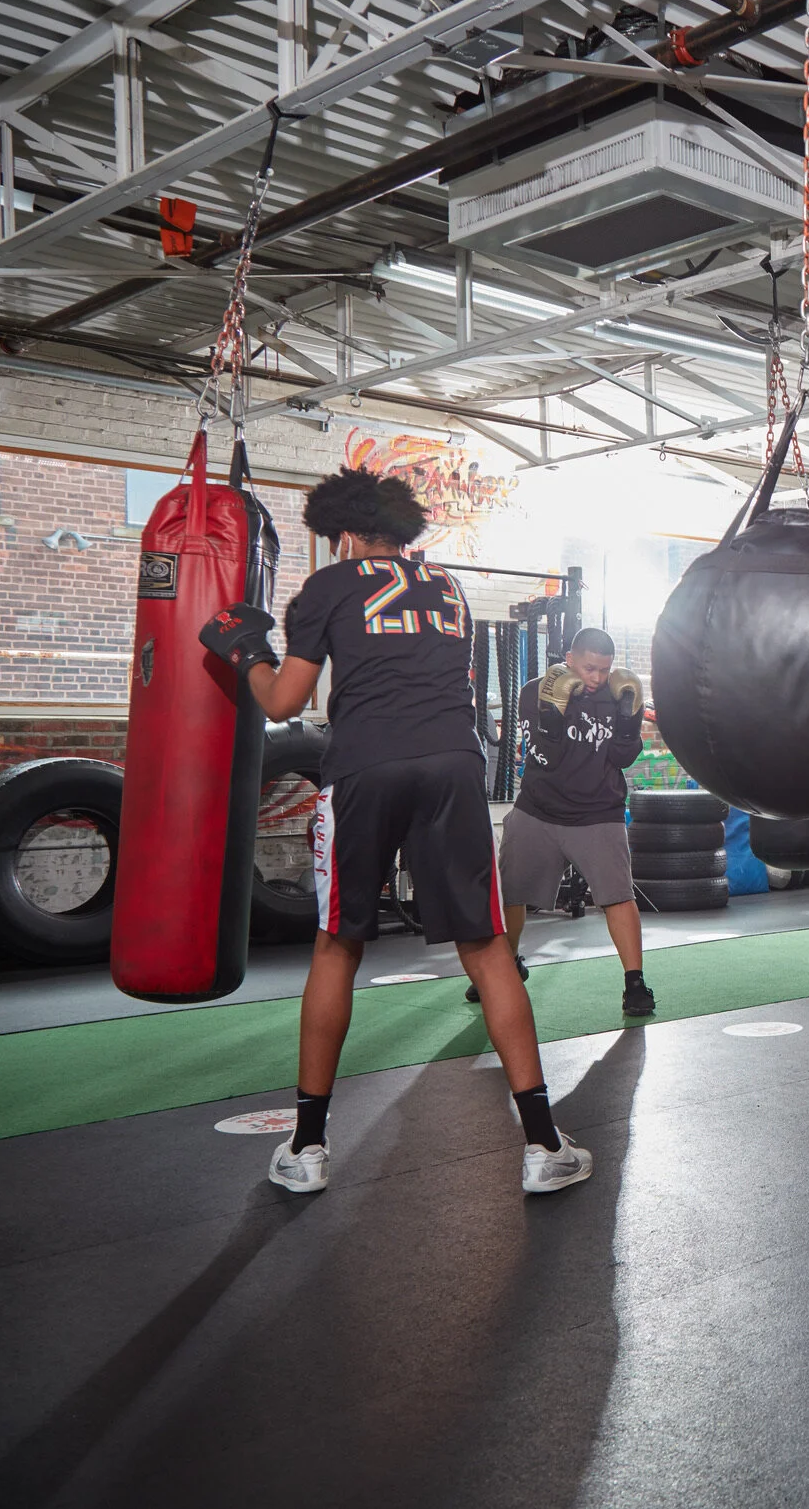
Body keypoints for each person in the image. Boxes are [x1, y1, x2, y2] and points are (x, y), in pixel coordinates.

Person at [199, 468, 590, 1196]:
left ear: (343, 533)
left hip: (366, 766)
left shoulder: (326, 588)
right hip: (453, 763)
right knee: (485, 944)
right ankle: (543, 1145)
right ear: (403, 530)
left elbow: (285, 699)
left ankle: (307, 1148)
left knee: (337, 944)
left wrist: (246, 652)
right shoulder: (447, 588)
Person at [472, 626, 655, 1016]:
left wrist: (628, 721)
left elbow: (623, 758)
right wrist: (552, 718)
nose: (597, 679)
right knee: (511, 892)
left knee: (619, 896)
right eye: (590, 668)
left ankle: (635, 983)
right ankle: (505, 967)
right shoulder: (535, 691)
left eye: (604, 670)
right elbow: (543, 759)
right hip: (539, 809)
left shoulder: (618, 693)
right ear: (570, 660)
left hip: (598, 812)